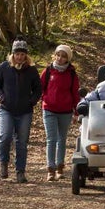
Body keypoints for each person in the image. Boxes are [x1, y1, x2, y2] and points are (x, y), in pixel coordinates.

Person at [0, 39, 42, 183]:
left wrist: (32, 101)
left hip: (25, 111)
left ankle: (20, 171)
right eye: (17, 54)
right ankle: (3, 164)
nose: (19, 57)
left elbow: (38, 89)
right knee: (5, 136)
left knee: (22, 142)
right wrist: (1, 98)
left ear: (26, 56)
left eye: (22, 54)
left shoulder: (31, 70)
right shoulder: (3, 67)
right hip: (6, 109)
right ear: (12, 55)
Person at [40, 44, 80, 182]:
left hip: (65, 111)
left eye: (63, 56)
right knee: (51, 139)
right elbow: (40, 88)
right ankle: (50, 169)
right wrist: (41, 101)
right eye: (58, 55)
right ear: (54, 55)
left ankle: (60, 167)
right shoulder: (48, 71)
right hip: (49, 109)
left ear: (68, 58)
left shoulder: (72, 74)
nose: (60, 58)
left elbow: (75, 94)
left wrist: (76, 112)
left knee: (62, 139)